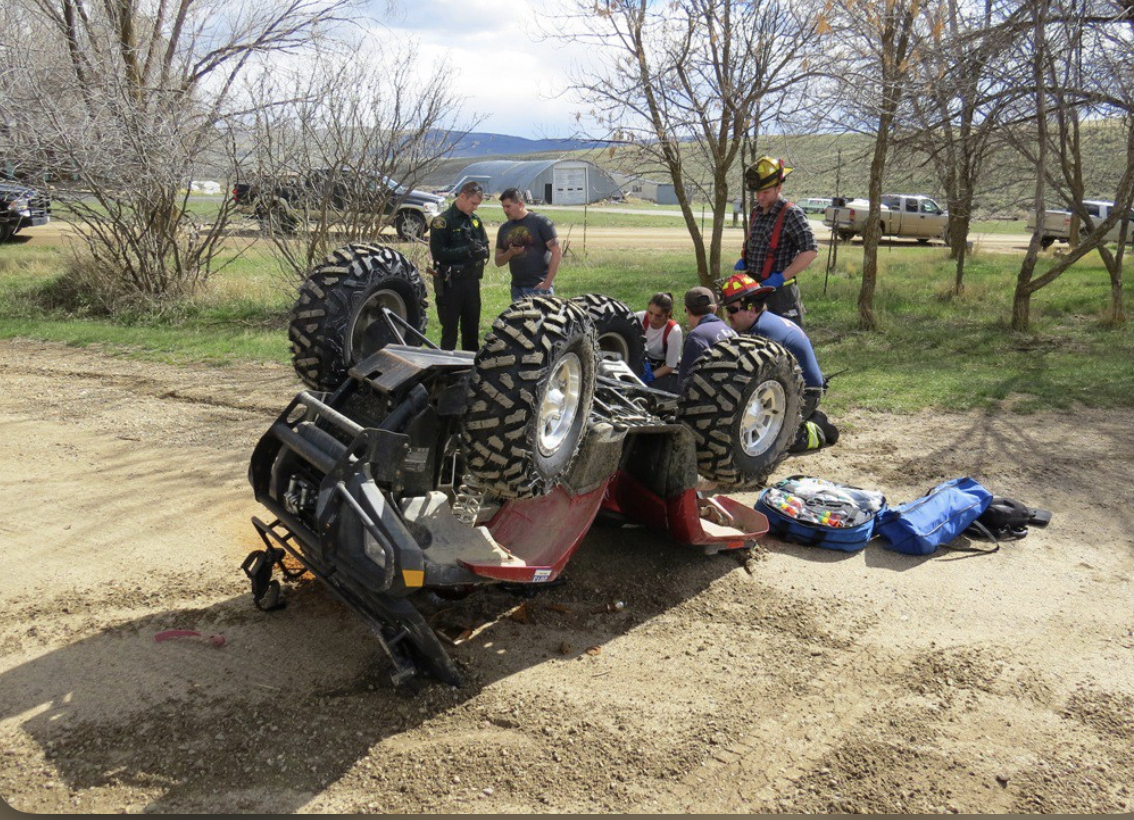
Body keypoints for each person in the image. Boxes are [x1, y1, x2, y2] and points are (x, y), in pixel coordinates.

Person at [720, 272, 838, 452]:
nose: (728, 315)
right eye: (727, 309)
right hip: (793, 390)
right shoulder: (762, 323)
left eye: (733, 309)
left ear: (751, 309)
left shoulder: (762, 334)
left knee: (765, 444)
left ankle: (814, 429)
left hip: (805, 396)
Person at [734, 156, 818, 328]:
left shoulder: (791, 214)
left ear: (779, 187)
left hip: (781, 296)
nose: (760, 197)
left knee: (784, 345)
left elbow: (810, 251)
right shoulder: (757, 212)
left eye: (765, 192)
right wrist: (747, 259)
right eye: (757, 192)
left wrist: (782, 277)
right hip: (755, 291)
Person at [430, 181, 490, 351]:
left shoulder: (474, 221)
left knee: (471, 329)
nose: (475, 208)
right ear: (462, 196)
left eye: (478, 204)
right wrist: (467, 251)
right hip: (451, 283)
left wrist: (482, 251)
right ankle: (446, 373)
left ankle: (469, 369)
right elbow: (439, 253)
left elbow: (484, 242)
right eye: (473, 203)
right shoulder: (443, 221)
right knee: (450, 331)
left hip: (471, 282)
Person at [494, 187, 561, 301]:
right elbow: (498, 261)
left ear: (520, 204)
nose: (505, 210)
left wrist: (547, 283)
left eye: (508, 206)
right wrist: (510, 252)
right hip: (517, 289)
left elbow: (557, 251)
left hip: (539, 287)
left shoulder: (540, 222)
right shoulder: (504, 229)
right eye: (503, 207)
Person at [677, 286, 736, 392]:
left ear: (688, 310)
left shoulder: (697, 336)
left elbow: (685, 382)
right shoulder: (732, 331)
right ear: (715, 308)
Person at [634, 292, 683, 391]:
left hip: (663, 368)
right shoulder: (640, 318)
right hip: (643, 361)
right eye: (650, 313)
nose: (652, 318)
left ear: (667, 314)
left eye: (658, 316)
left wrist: (650, 376)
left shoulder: (673, 331)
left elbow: (670, 366)